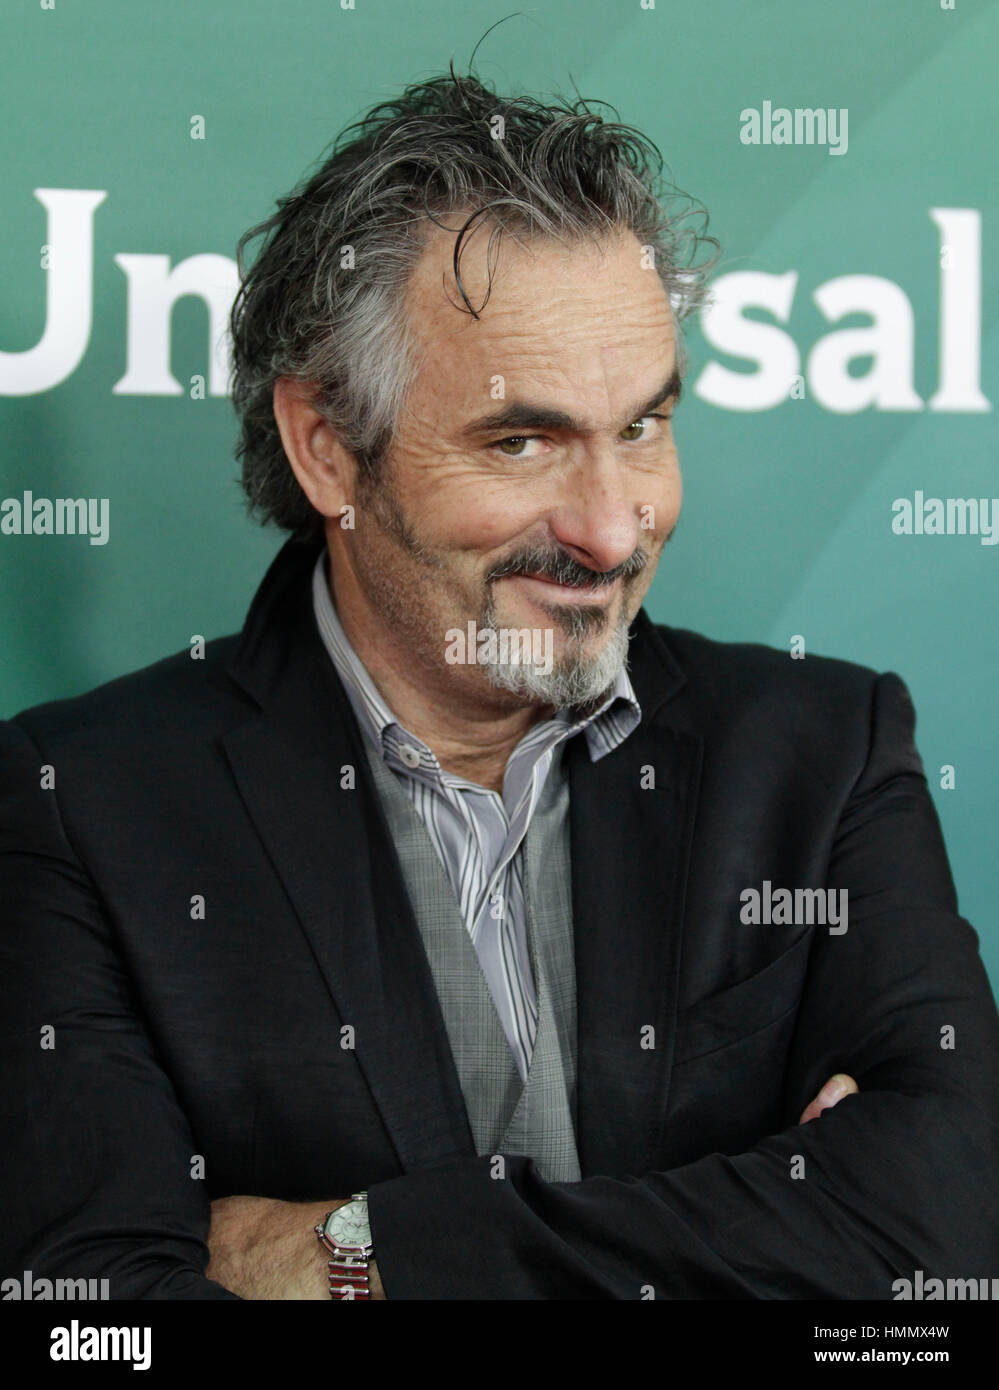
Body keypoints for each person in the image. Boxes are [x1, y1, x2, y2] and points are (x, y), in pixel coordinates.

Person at [1, 71, 997, 1301]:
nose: (608, 528)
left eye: (641, 428)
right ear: (326, 444)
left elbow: (943, 1242)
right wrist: (774, 1219)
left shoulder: (826, 753)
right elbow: (94, 1326)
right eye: (521, 441)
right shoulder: (75, 805)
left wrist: (365, 1255)